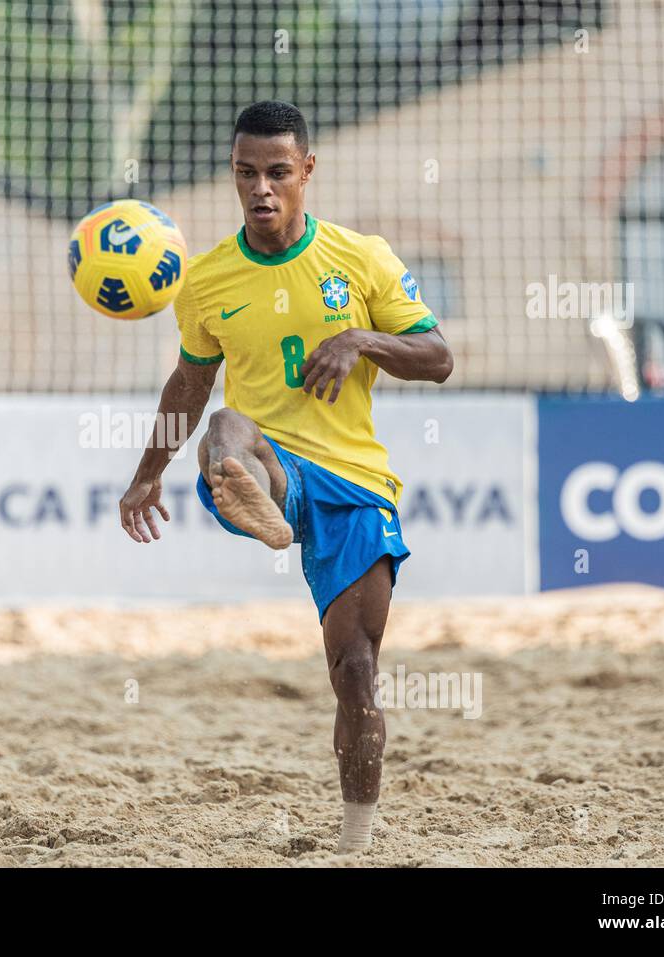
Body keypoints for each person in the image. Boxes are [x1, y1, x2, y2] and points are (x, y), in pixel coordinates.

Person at [118, 101, 453, 855]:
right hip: (268, 457)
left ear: (307, 170)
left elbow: (438, 356)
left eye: (276, 172)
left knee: (356, 671)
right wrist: (146, 475)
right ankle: (257, 497)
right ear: (233, 175)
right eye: (245, 173)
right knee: (225, 426)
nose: (260, 188)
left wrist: (361, 340)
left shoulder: (360, 258)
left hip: (356, 483)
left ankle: (355, 841)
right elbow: (189, 382)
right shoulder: (204, 280)